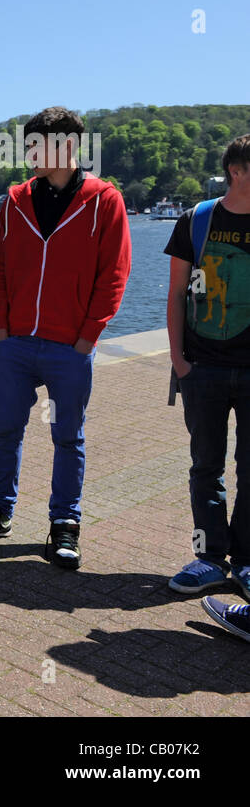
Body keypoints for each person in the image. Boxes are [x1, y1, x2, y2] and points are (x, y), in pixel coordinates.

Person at [0, 107, 131, 571]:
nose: (29, 154)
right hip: (14, 345)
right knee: (5, 431)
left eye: (38, 145)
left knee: (67, 437)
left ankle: (65, 523)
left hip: (69, 348)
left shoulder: (105, 200)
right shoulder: (15, 200)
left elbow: (113, 275)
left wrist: (87, 338)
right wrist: (0, 329)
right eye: (27, 144)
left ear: (68, 147)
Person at [165, 134, 250, 602]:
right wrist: (180, 362)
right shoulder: (197, 221)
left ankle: (247, 562)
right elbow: (177, 295)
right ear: (237, 171)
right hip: (204, 368)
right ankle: (210, 558)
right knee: (206, 466)